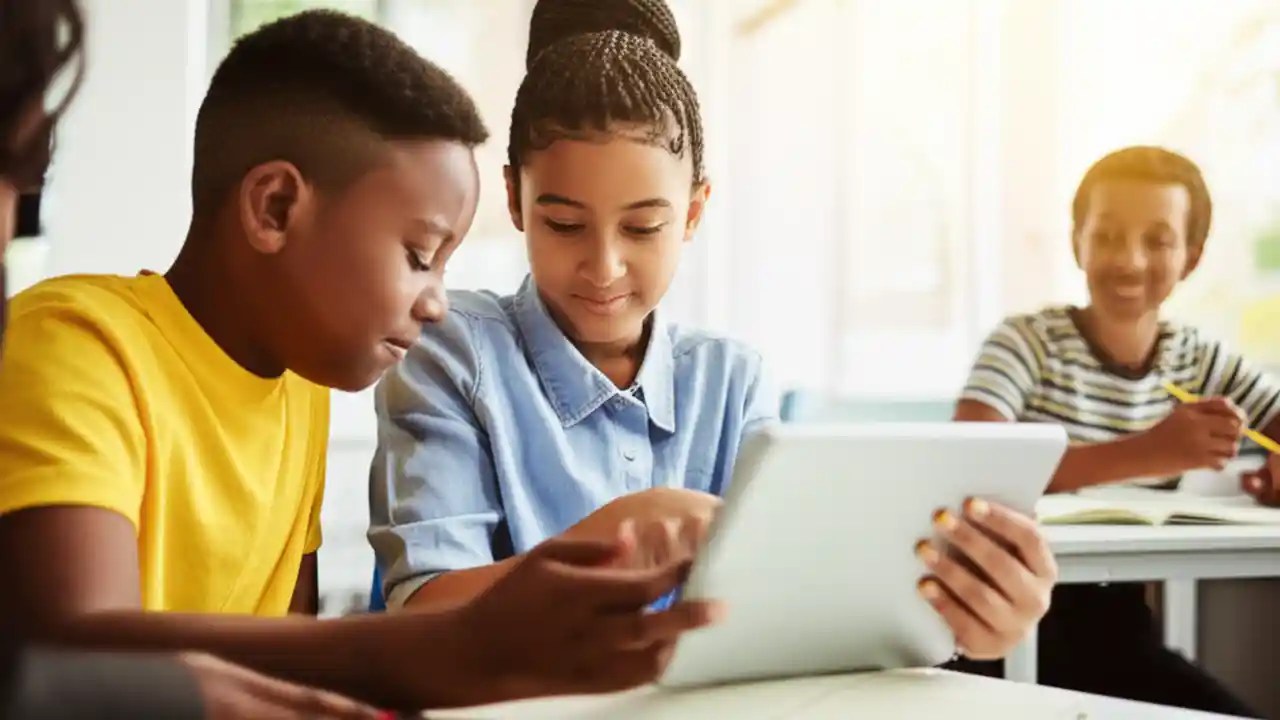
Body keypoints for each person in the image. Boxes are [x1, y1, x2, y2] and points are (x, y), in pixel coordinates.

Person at [0, 8, 721, 714]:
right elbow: (70, 651)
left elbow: (287, 656)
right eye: (418, 257)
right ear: (275, 207)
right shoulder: (78, 340)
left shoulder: (297, 390)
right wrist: (445, 644)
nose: (437, 303)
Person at [370, 0, 1057, 664]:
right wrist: (618, 536)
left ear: (694, 210)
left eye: (643, 227)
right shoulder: (451, 350)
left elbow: (791, 612)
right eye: (565, 224)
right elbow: (424, 617)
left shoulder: (730, 381)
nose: (605, 267)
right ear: (516, 198)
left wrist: (956, 622)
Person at [956, 145, 1275, 715]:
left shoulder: (1196, 357)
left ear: (1191, 258)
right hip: (996, 631)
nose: (1128, 260)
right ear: (1077, 243)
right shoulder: (1026, 342)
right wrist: (1150, 453)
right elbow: (971, 459)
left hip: (1117, 637)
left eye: (1157, 240)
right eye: (1105, 237)